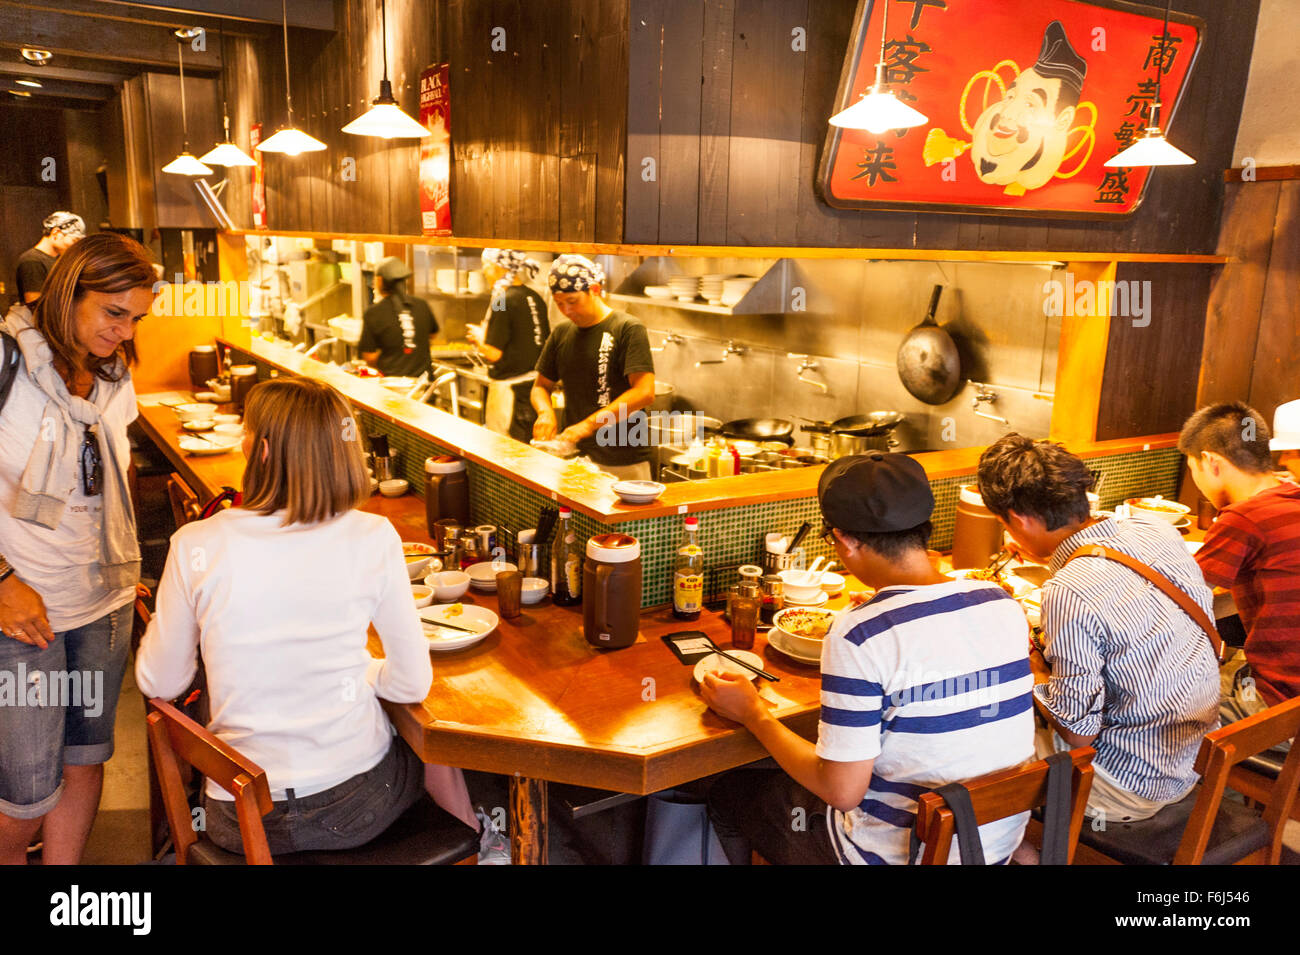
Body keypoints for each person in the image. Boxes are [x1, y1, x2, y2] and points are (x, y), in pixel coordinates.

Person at [135, 377, 480, 856]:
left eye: (247, 432)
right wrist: (364, 672)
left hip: (238, 814)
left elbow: (160, 681)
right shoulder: (373, 534)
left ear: (262, 450)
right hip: (355, 807)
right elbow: (410, 686)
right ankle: (484, 841)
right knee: (434, 746)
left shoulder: (195, 543)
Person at [704, 453, 1035, 865]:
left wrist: (754, 714)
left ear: (845, 540)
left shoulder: (859, 633)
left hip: (896, 856)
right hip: (991, 846)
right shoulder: (1001, 602)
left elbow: (842, 792)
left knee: (730, 792)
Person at [0, 232, 155, 865]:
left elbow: (113, 475)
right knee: (28, 787)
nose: (124, 331)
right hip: (23, 612)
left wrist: (120, 557)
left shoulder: (114, 376)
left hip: (104, 602)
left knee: (86, 756)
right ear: (68, 293)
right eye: (114, 312)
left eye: (137, 318)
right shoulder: (9, 362)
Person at [976, 434, 1220, 824]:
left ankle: (1020, 846)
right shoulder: (1154, 529)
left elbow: (1078, 733)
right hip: (1192, 757)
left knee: (973, 745)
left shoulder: (1068, 590)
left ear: (1018, 520)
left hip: (1127, 785)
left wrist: (1038, 672)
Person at [1179, 402, 1300, 721]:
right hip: (1285, 689)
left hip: (1279, 705)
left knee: (1154, 712)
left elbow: (1179, 594)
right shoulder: (1289, 496)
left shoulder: (1246, 517)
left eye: (1194, 471)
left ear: (1210, 461)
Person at [531, 255, 656, 481]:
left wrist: (588, 425)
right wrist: (545, 412)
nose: (566, 310)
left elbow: (644, 392)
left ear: (595, 289)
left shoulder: (627, 328)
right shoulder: (561, 333)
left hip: (623, 460)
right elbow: (540, 386)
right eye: (559, 303)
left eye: (572, 301)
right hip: (575, 457)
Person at [467, 248, 550, 442]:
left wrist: (479, 339)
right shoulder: (534, 297)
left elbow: (494, 354)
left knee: (505, 452)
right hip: (535, 391)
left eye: (485, 266)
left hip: (510, 394)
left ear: (498, 268)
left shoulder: (501, 299)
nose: (484, 272)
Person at [358, 256, 437, 379]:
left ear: (380, 280)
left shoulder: (374, 312)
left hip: (392, 385)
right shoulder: (422, 305)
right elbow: (432, 334)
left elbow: (370, 356)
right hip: (424, 384)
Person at [15, 212, 86, 305]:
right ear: (56, 233)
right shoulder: (31, 260)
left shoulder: (60, 260)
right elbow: (34, 302)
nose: (75, 246)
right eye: (74, 240)